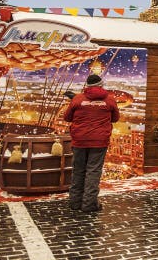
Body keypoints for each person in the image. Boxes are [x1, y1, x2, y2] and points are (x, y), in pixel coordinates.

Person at [63, 74, 120, 213]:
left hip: (79, 141)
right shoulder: (109, 100)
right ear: (101, 85)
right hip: (99, 142)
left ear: (87, 86)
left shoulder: (77, 99)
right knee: (93, 171)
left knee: (78, 170)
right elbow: (115, 118)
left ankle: (75, 202)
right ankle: (89, 204)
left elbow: (67, 117)